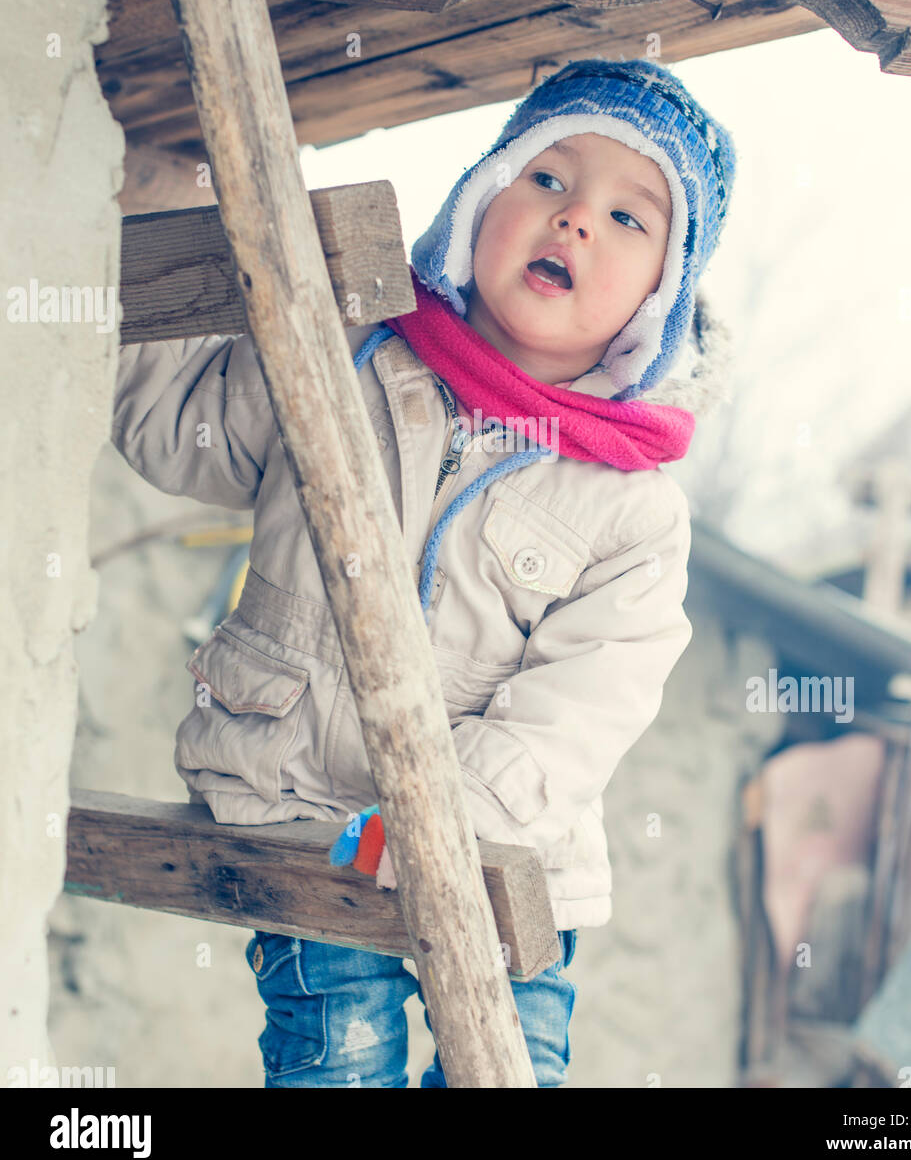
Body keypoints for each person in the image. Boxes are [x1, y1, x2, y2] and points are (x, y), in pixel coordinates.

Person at [111, 57, 737, 1087]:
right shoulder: (347, 357)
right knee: (335, 1061)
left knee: (507, 1070)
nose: (575, 219)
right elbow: (181, 424)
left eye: (630, 218)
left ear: (659, 298)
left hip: (503, 858)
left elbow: (577, 717)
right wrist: (148, 205)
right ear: (479, 197)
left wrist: (442, 828)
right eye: (548, 179)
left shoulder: (633, 508)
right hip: (307, 813)